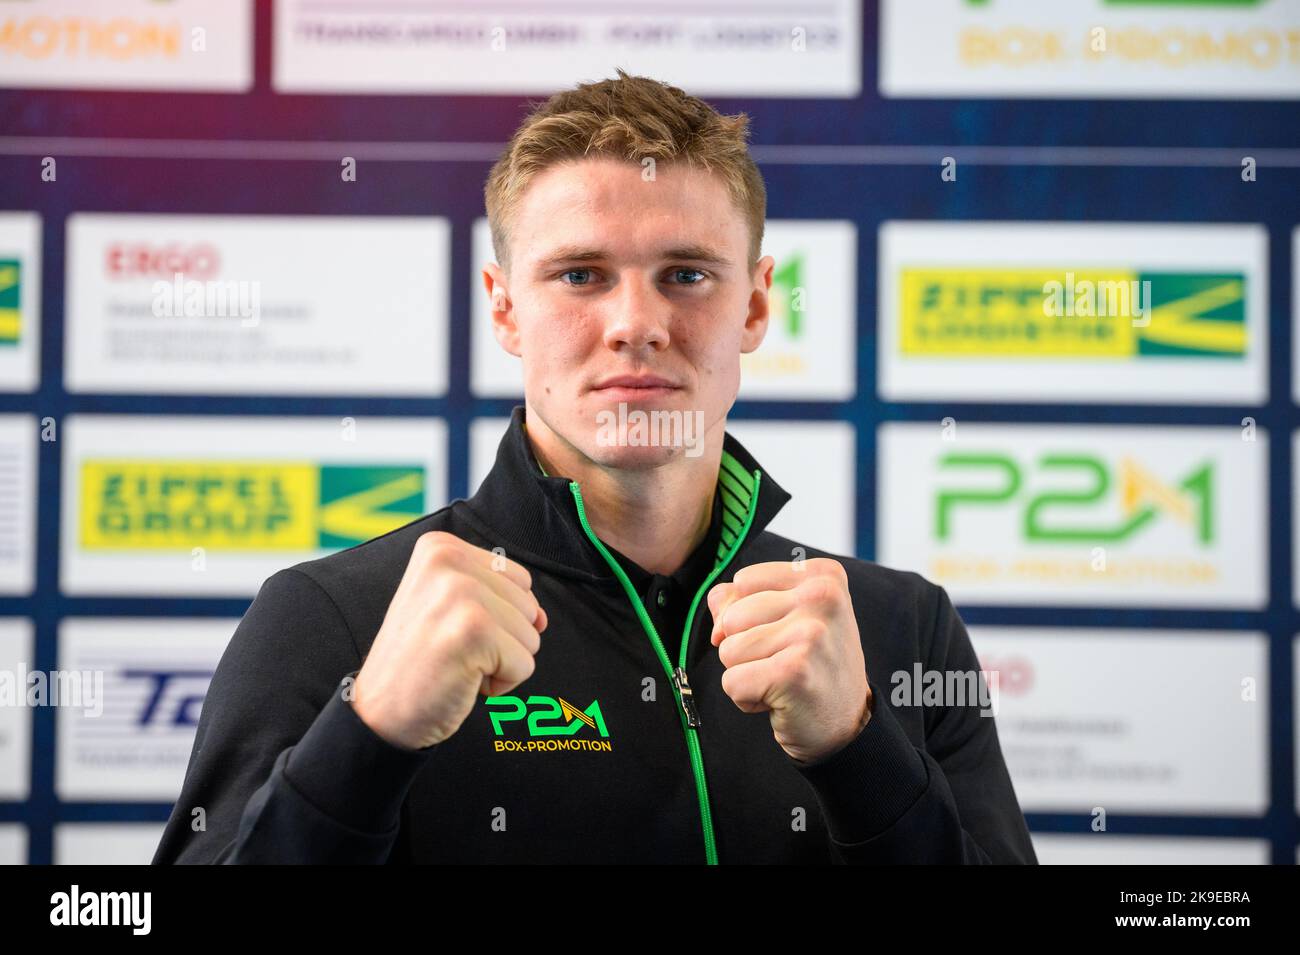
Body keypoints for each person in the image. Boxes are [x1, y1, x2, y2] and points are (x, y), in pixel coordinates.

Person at [153, 68, 1036, 865]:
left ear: (757, 304)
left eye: (686, 274)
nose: (634, 323)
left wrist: (861, 750)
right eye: (580, 275)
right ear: (504, 309)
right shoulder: (336, 618)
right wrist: (369, 735)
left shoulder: (900, 628)